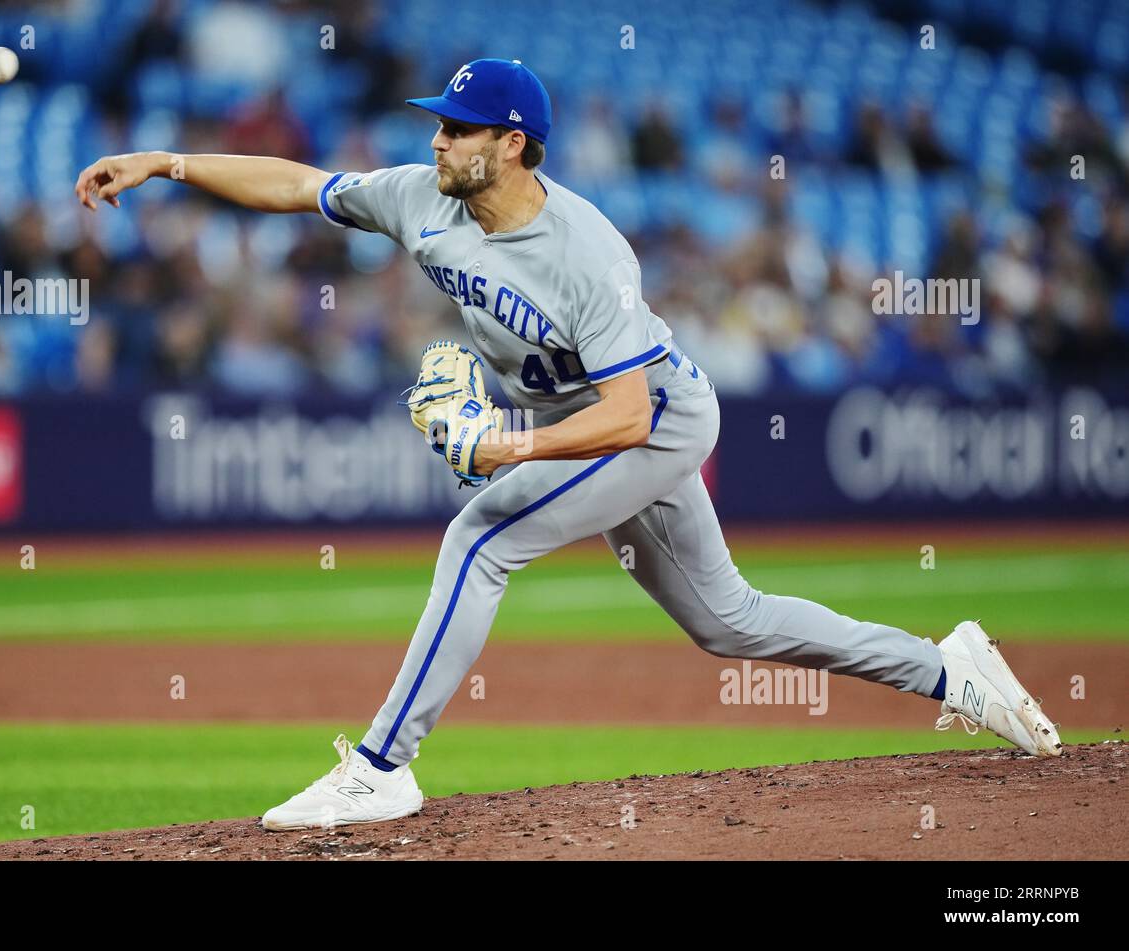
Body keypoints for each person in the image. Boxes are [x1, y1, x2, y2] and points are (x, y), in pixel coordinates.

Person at [75, 58, 1063, 832]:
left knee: (479, 540)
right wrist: (167, 164)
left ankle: (379, 770)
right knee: (731, 623)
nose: (437, 137)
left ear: (510, 143)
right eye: (435, 121)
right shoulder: (423, 197)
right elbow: (300, 186)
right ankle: (951, 671)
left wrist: (503, 447)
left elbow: (630, 416)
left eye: (455, 126)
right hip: (585, 423)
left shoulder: (587, 253)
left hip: (656, 419)